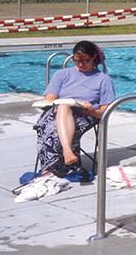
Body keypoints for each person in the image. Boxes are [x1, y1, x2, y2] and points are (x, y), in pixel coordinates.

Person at [33, 40, 115, 177]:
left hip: (85, 114)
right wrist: (69, 103)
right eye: (77, 61)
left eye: (86, 61)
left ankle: (51, 169)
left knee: (53, 129)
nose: (81, 64)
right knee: (60, 111)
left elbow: (105, 111)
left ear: (94, 57)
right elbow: (50, 99)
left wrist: (91, 110)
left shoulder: (103, 80)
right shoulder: (61, 74)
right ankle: (67, 154)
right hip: (56, 111)